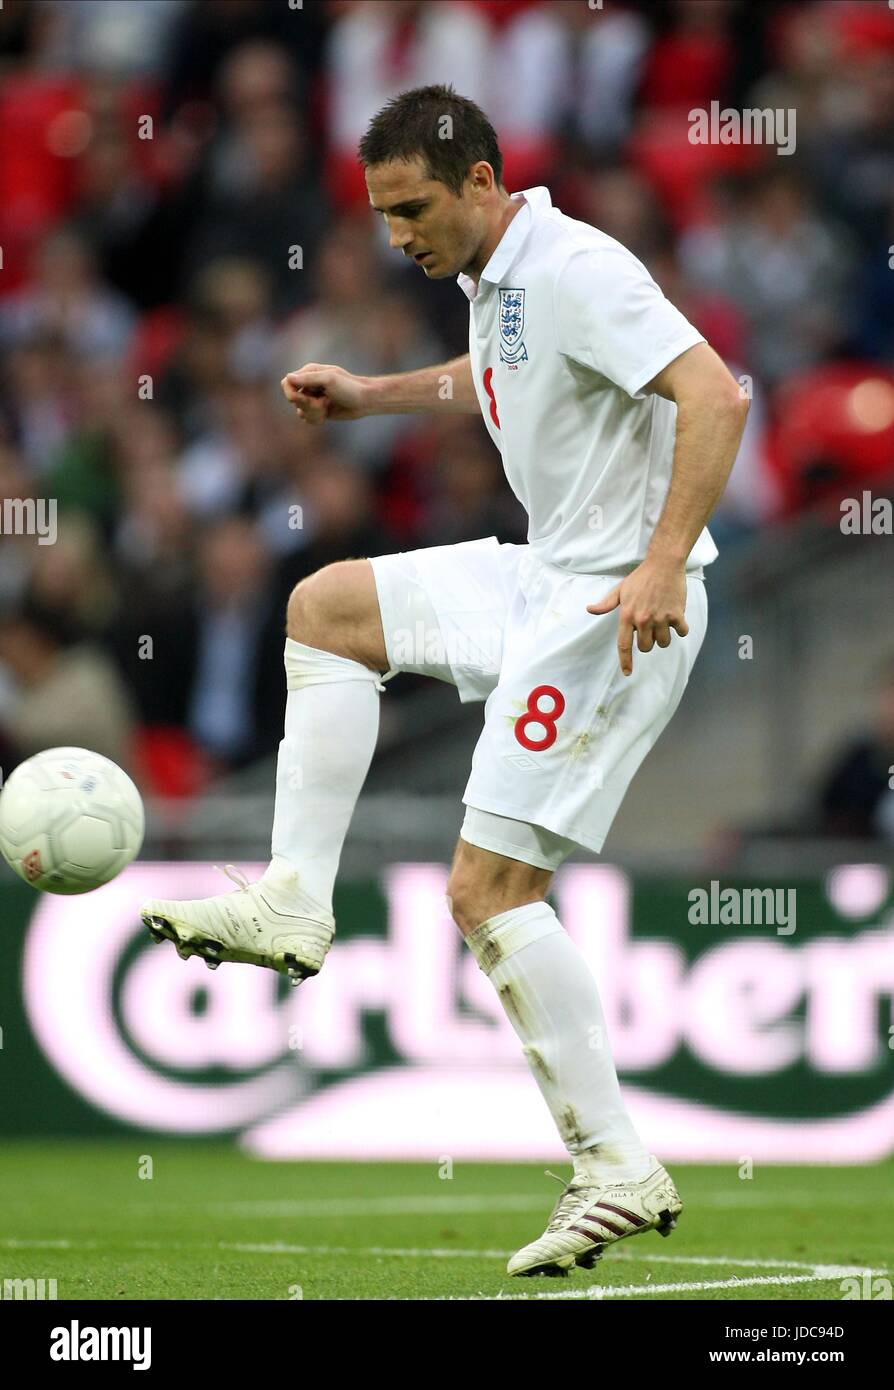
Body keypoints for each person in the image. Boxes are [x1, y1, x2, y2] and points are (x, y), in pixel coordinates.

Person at [140, 84, 748, 1278]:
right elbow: (497, 377)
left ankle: (614, 1162)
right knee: (325, 609)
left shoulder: (575, 264)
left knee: (486, 890)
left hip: (615, 600)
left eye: (413, 207)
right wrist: (370, 395)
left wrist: (665, 561)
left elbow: (715, 394)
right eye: (379, 215)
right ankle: (292, 902)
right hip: (547, 575)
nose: (397, 234)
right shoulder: (499, 280)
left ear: (481, 180)